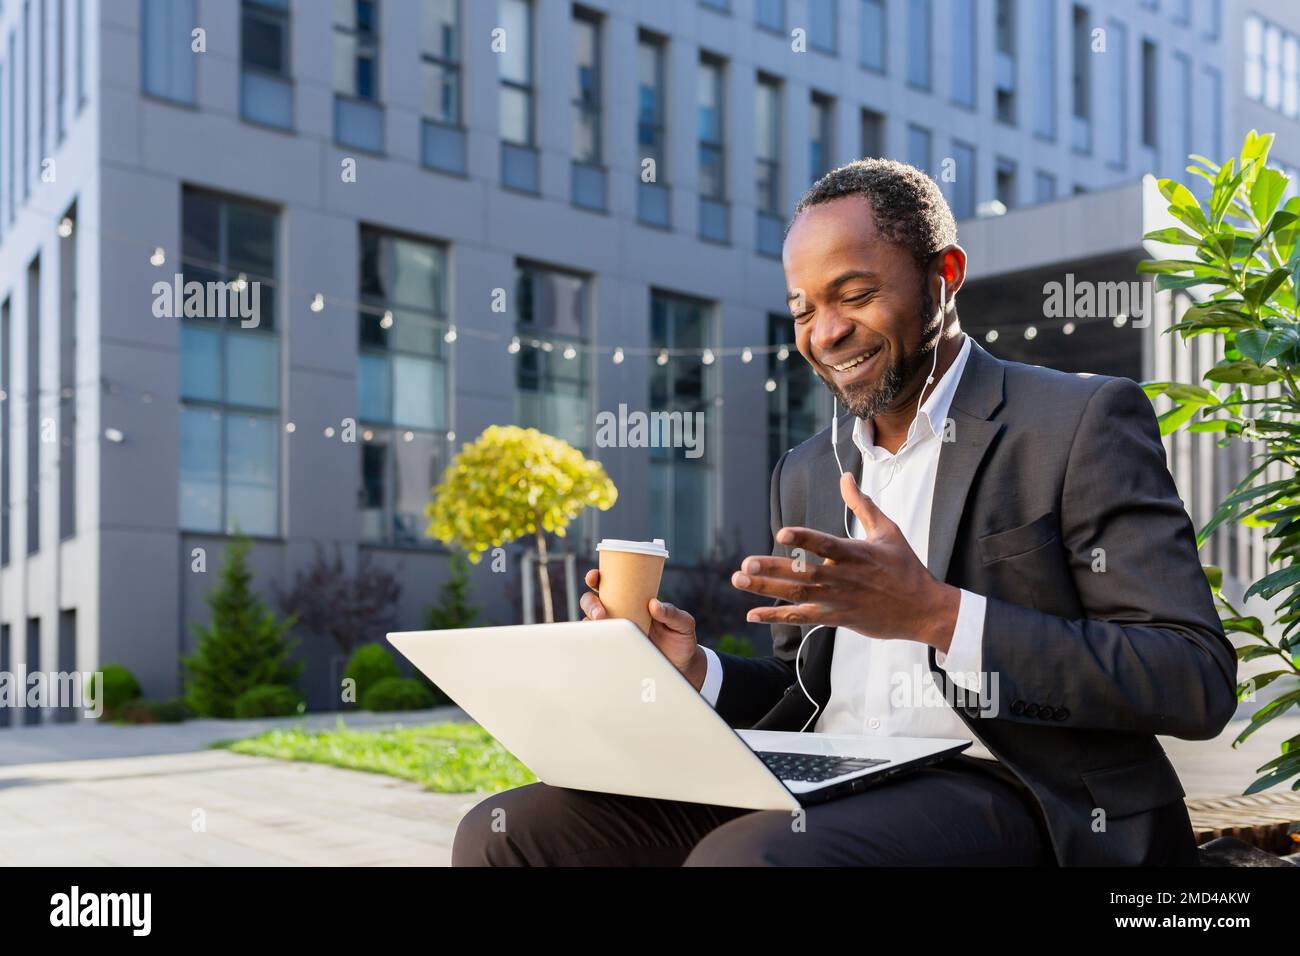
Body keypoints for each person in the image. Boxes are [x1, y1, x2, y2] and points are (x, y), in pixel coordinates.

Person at [452, 158, 1236, 867]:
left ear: (944, 277)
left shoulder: (1077, 423)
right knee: (510, 833)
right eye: (802, 308)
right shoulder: (808, 471)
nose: (825, 332)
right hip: (832, 774)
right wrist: (699, 673)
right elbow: (812, 685)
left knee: (746, 861)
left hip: (1015, 789)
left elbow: (1192, 678)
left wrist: (940, 615)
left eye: (855, 295)